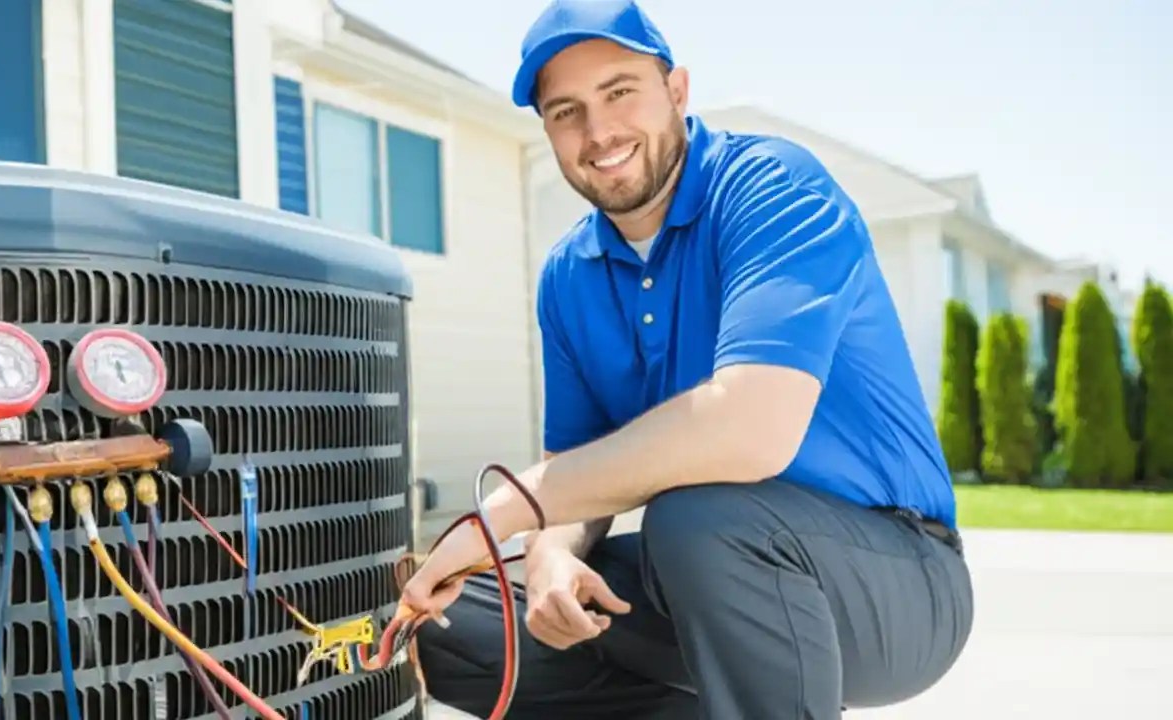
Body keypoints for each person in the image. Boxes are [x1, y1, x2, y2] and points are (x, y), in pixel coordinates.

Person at [399, 1, 974, 717]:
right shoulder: (569, 276)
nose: (599, 131)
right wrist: (549, 556)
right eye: (566, 111)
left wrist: (503, 512)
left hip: (898, 582)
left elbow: (748, 431)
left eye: (619, 92)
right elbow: (576, 472)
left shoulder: (770, 188)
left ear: (676, 91)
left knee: (696, 522)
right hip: (714, 573)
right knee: (457, 628)